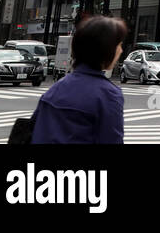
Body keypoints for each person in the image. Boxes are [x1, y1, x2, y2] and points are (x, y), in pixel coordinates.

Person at [31, 15, 127, 144]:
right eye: (119, 45)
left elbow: (34, 131)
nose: (121, 50)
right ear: (106, 49)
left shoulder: (55, 89)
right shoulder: (108, 95)